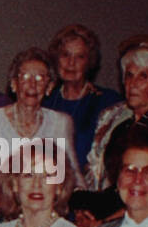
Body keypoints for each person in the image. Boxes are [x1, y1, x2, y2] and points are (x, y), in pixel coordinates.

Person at [84, 42, 148, 218]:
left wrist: (103, 225)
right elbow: (114, 187)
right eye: (129, 76)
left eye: (143, 77)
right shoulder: (120, 128)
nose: (132, 84)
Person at [0, 47, 81, 188]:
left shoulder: (60, 123)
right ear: (13, 84)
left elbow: (74, 177)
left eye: (40, 78)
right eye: (25, 77)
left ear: (49, 87)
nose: (32, 85)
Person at [43, 24, 122, 170]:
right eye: (65, 55)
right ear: (56, 58)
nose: (71, 63)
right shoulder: (45, 101)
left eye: (79, 57)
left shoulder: (107, 102)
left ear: (89, 62)